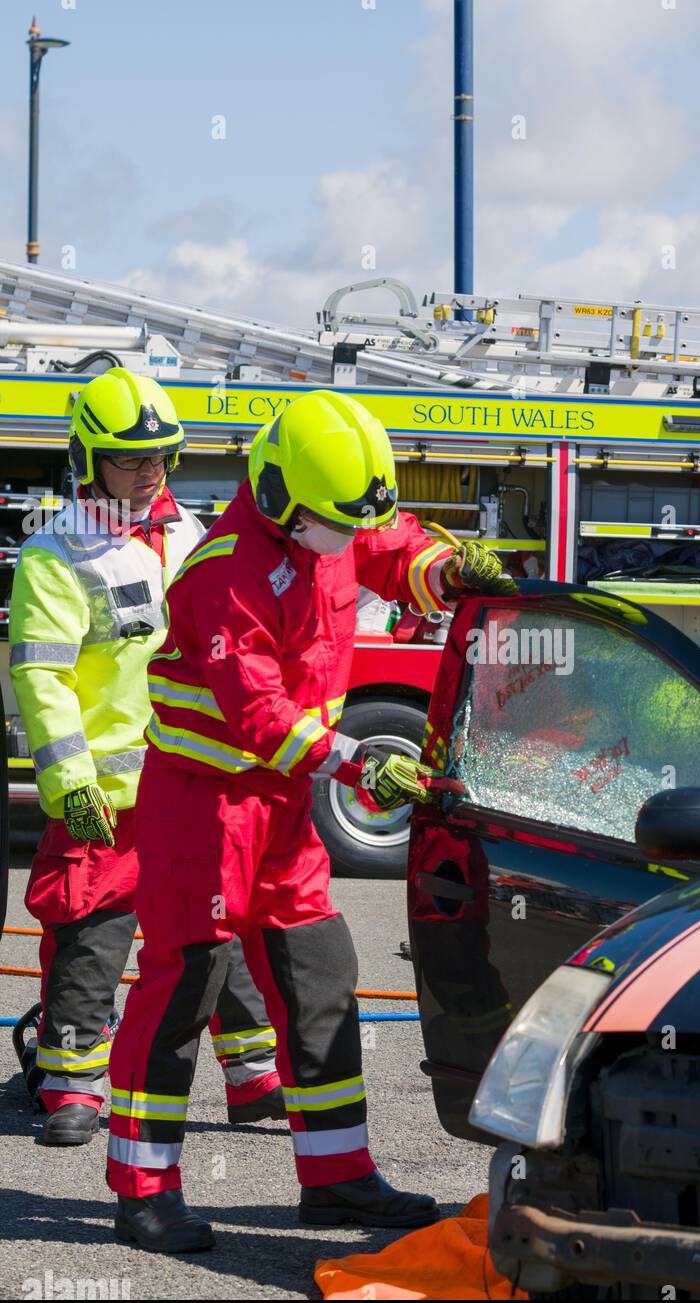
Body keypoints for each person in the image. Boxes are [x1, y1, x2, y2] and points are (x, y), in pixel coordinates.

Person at [105, 389, 518, 1252]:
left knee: (321, 980)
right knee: (184, 989)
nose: (344, 540)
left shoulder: (324, 515)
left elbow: (389, 544)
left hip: (282, 815)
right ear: (279, 493)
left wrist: (446, 572)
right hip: (204, 808)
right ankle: (144, 1189)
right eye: (331, 526)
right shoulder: (222, 575)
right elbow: (257, 715)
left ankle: (337, 1177)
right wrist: (358, 760)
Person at [9, 368, 282, 1146]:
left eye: (162, 455)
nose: (150, 471)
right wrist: (69, 785)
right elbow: (42, 674)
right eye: (131, 459)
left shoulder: (193, 535)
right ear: (87, 458)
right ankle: (72, 1084)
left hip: (192, 777)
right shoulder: (56, 556)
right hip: (106, 794)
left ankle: (253, 1074)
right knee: (90, 928)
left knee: (216, 920)